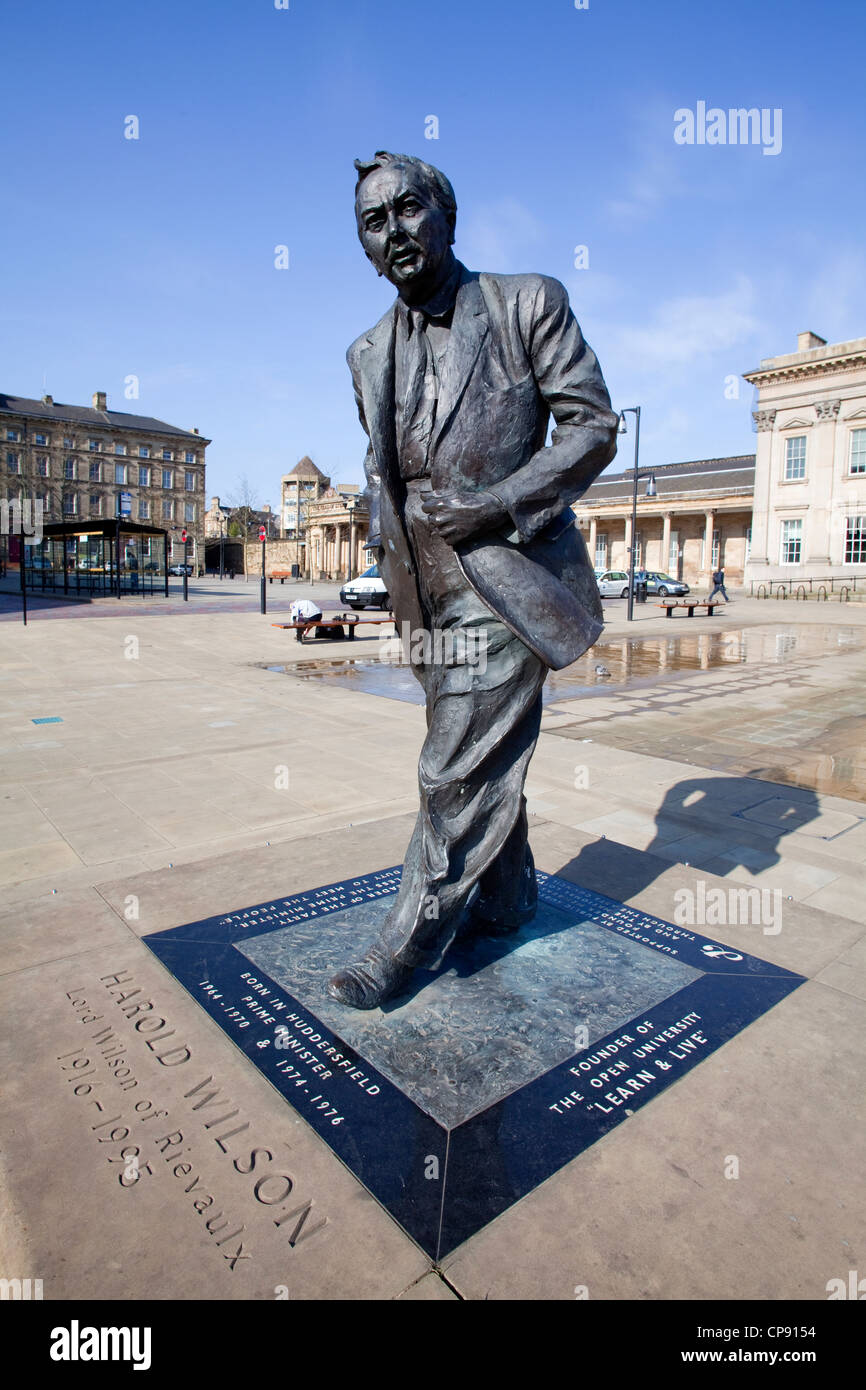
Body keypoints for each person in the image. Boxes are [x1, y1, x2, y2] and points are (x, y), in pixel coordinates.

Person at [327, 150, 618, 1009]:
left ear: (447, 214)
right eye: (373, 224)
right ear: (367, 249)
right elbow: (384, 466)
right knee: (481, 752)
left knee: (450, 769)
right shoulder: (365, 351)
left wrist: (495, 504)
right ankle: (508, 892)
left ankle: (406, 944)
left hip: (509, 571)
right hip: (423, 588)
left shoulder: (527, 302)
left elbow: (593, 425)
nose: (395, 232)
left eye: (408, 210)